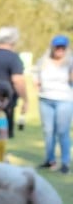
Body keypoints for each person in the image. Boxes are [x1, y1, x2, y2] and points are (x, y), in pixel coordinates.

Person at [32, 34, 73, 173]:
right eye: (57, 47)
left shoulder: (70, 61)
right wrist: (36, 84)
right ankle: (49, 160)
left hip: (64, 99)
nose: (59, 50)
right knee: (48, 131)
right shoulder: (44, 60)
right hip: (45, 99)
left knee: (62, 131)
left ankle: (65, 162)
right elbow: (35, 74)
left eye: (62, 47)